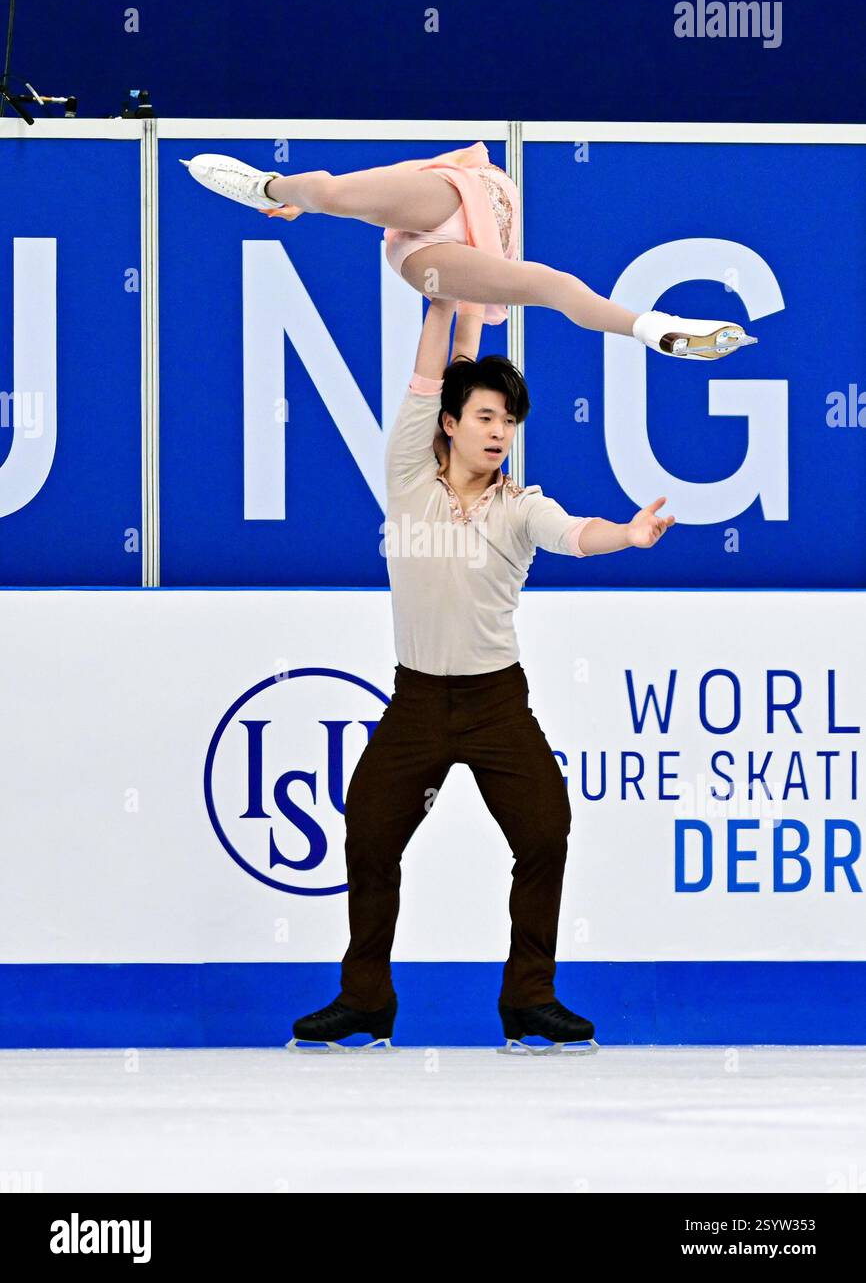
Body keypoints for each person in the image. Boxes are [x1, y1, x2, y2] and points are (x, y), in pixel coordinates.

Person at [284, 296, 675, 1053]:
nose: (499, 433)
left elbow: (574, 534)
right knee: (367, 836)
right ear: (452, 425)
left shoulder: (519, 509)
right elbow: (429, 376)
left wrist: (627, 534)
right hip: (418, 702)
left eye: (509, 422)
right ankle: (365, 999)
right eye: (487, 417)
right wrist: (440, 291)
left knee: (545, 834)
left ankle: (529, 998)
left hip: (498, 703)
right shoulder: (407, 478)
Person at [180, 141, 758, 359]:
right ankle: (265, 187)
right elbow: (462, 340)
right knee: (330, 191)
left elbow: (463, 342)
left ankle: (659, 331)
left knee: (550, 288)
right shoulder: (446, 227)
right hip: (429, 230)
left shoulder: (477, 276)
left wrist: (455, 376)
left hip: (463, 204)